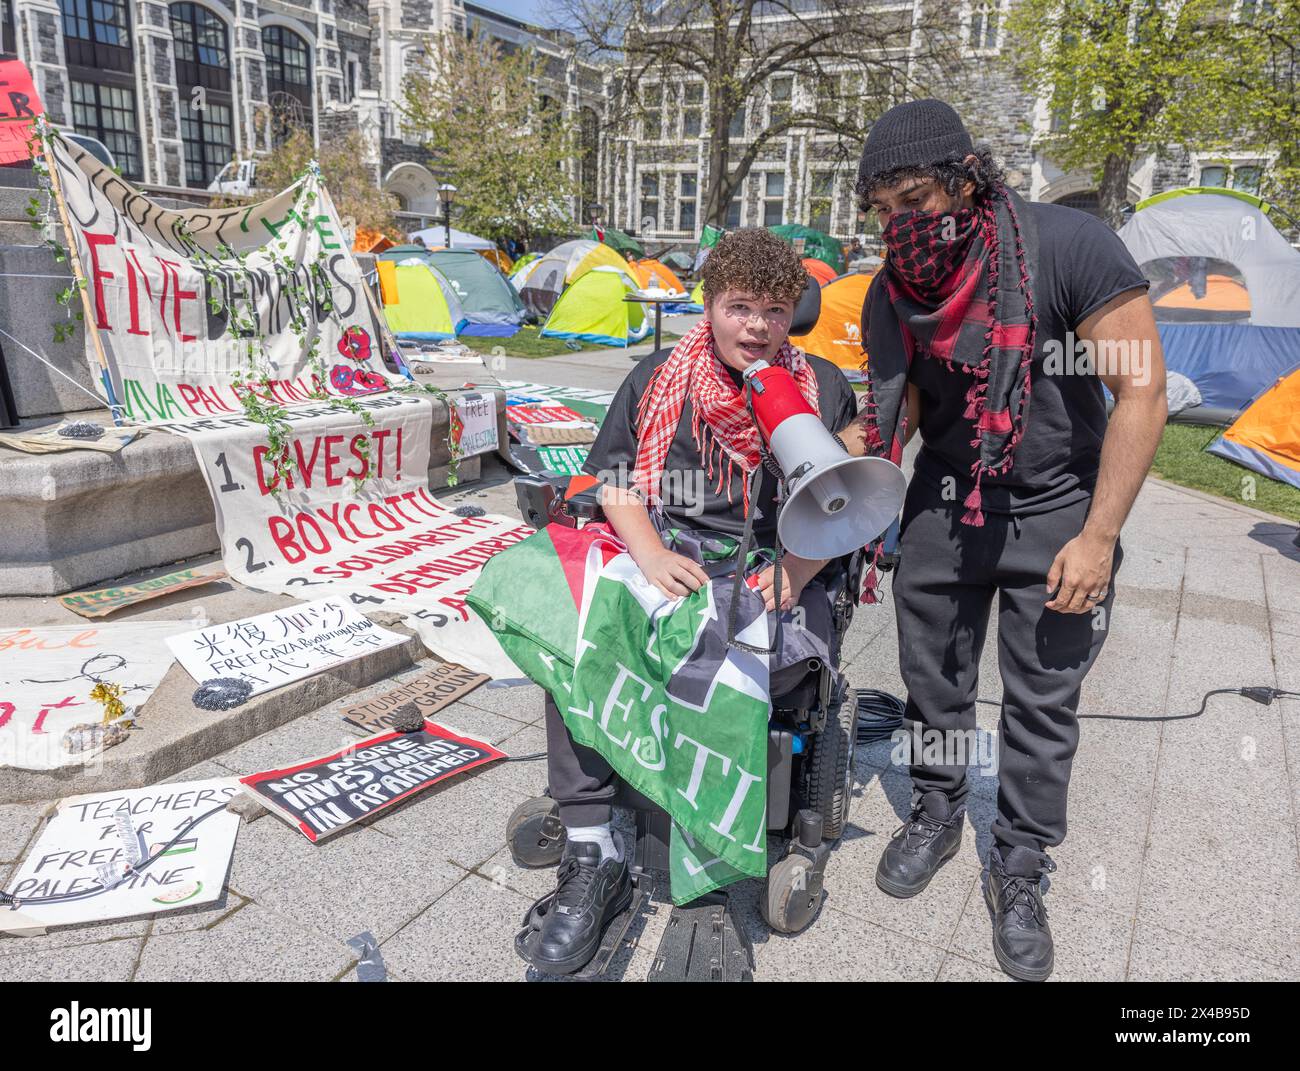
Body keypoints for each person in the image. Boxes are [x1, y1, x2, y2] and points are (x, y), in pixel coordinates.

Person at [847, 100, 1167, 981]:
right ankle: (940, 809)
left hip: (1060, 506)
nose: (900, 226)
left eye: (915, 200)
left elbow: (1142, 394)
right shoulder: (893, 288)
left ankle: (1020, 866)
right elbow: (891, 418)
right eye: (881, 211)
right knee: (935, 685)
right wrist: (834, 499)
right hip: (945, 508)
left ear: (966, 176)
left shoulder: (1066, 246)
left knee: (1040, 706)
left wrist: (1100, 538)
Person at [530, 228, 861, 974]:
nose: (757, 326)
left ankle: (711, 862)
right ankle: (593, 846)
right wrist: (646, 552)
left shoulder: (826, 387)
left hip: (778, 570)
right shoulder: (655, 379)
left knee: (734, 652)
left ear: (793, 316)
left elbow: (851, 503)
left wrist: (802, 570)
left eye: (775, 311)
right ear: (709, 305)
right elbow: (613, 482)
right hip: (670, 559)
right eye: (740, 306)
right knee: (572, 619)